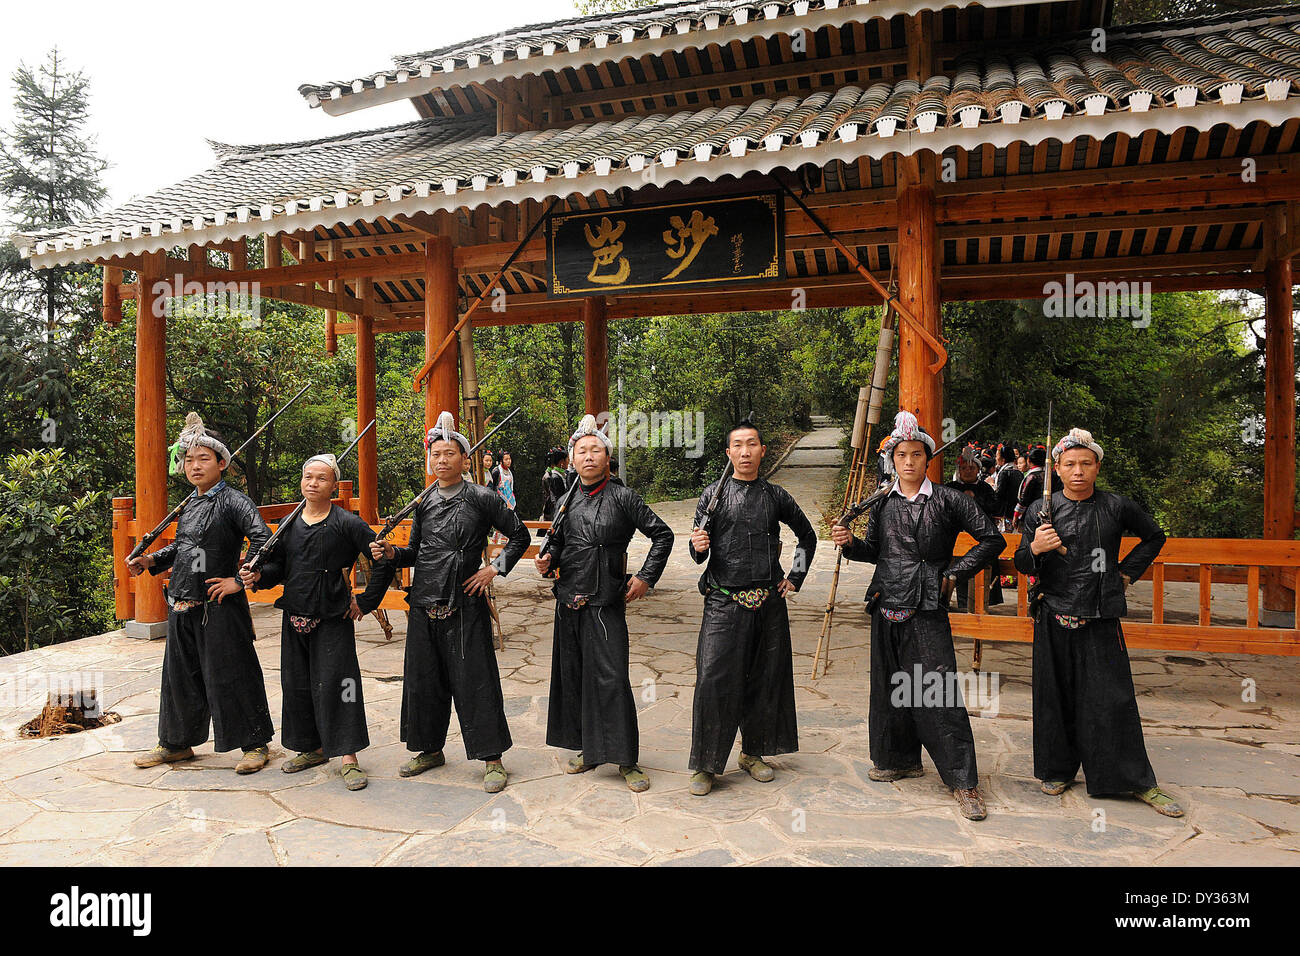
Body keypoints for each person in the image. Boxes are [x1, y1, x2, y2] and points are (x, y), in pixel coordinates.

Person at [830, 411, 1005, 821]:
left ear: (928, 459)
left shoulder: (949, 500)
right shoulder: (883, 503)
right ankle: (898, 758)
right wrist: (849, 543)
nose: (908, 462)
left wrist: (954, 574)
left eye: (916, 454)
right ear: (893, 460)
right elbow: (875, 549)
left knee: (937, 690)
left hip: (926, 604)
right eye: (902, 455)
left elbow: (991, 539)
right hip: (886, 600)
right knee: (890, 687)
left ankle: (963, 781)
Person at [1014, 428, 1183, 817]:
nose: (1078, 471)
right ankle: (1056, 770)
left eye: (1085, 464)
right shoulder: (1043, 510)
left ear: (1097, 467)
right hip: (1054, 612)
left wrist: (1125, 574)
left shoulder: (1116, 506)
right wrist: (1036, 548)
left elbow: (1154, 535)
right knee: (1054, 697)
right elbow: (1023, 562)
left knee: (1112, 700)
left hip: (1101, 613)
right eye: (1069, 464)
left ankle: (1131, 779)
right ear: (1055, 468)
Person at [366, 411, 532, 793]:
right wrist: (392, 553)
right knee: (424, 682)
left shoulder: (483, 498)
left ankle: (491, 758)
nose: (442, 460)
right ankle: (428, 749)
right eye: (436, 454)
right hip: (424, 603)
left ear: (465, 459)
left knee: (476, 681)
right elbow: (417, 552)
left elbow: (519, 536)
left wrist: (494, 569)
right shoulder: (423, 503)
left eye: (450, 454)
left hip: (464, 602)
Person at [126, 413, 275, 775]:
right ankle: (176, 744)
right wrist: (150, 560)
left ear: (221, 462)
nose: (195, 466)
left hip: (219, 605)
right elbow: (183, 547)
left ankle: (254, 743)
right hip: (181, 600)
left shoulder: (235, 502)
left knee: (232, 673)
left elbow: (265, 540)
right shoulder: (189, 503)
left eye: (204, 458)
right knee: (179, 678)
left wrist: (239, 581)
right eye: (189, 459)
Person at [535, 413, 674, 792]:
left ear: (607, 458)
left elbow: (663, 534)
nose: (590, 456)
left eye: (597, 450)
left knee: (611, 679)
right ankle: (589, 750)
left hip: (605, 603)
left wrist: (645, 577)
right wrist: (548, 564)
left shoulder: (624, 497)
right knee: (575, 678)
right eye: (582, 450)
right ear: (572, 459)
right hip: (569, 603)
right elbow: (558, 548)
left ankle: (626, 758)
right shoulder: (564, 502)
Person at [686, 419, 817, 795]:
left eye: (752, 444)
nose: (745, 452)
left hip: (768, 604)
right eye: (738, 446)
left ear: (762, 450)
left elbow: (807, 536)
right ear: (728, 453)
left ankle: (753, 752)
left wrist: (795, 576)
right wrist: (697, 546)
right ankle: (705, 765)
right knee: (713, 681)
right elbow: (697, 555)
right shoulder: (712, 495)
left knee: (764, 680)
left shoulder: (775, 496)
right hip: (723, 601)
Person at [239, 453, 376, 790]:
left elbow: (381, 556)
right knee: (297, 685)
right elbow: (278, 569)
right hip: (294, 614)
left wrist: (366, 600)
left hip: (333, 616)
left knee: (340, 684)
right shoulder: (289, 524)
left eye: (321, 478)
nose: (313, 483)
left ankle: (348, 756)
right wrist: (257, 576)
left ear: (334, 486)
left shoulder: (347, 522)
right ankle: (311, 748)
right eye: (308, 477)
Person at [944, 446, 1003, 610]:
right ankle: (957, 603)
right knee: (957, 571)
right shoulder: (951, 487)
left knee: (983, 570)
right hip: (956, 538)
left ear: (978, 469)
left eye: (972, 467)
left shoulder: (985, 488)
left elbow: (995, 508)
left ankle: (982, 605)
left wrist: (976, 499)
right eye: (964, 468)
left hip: (981, 539)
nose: (968, 471)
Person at [1014, 445, 1062, 531]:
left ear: (1028, 461)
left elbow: (1023, 499)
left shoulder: (1032, 477)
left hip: (1031, 514)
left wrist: (1016, 515)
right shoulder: (1053, 475)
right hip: (1052, 513)